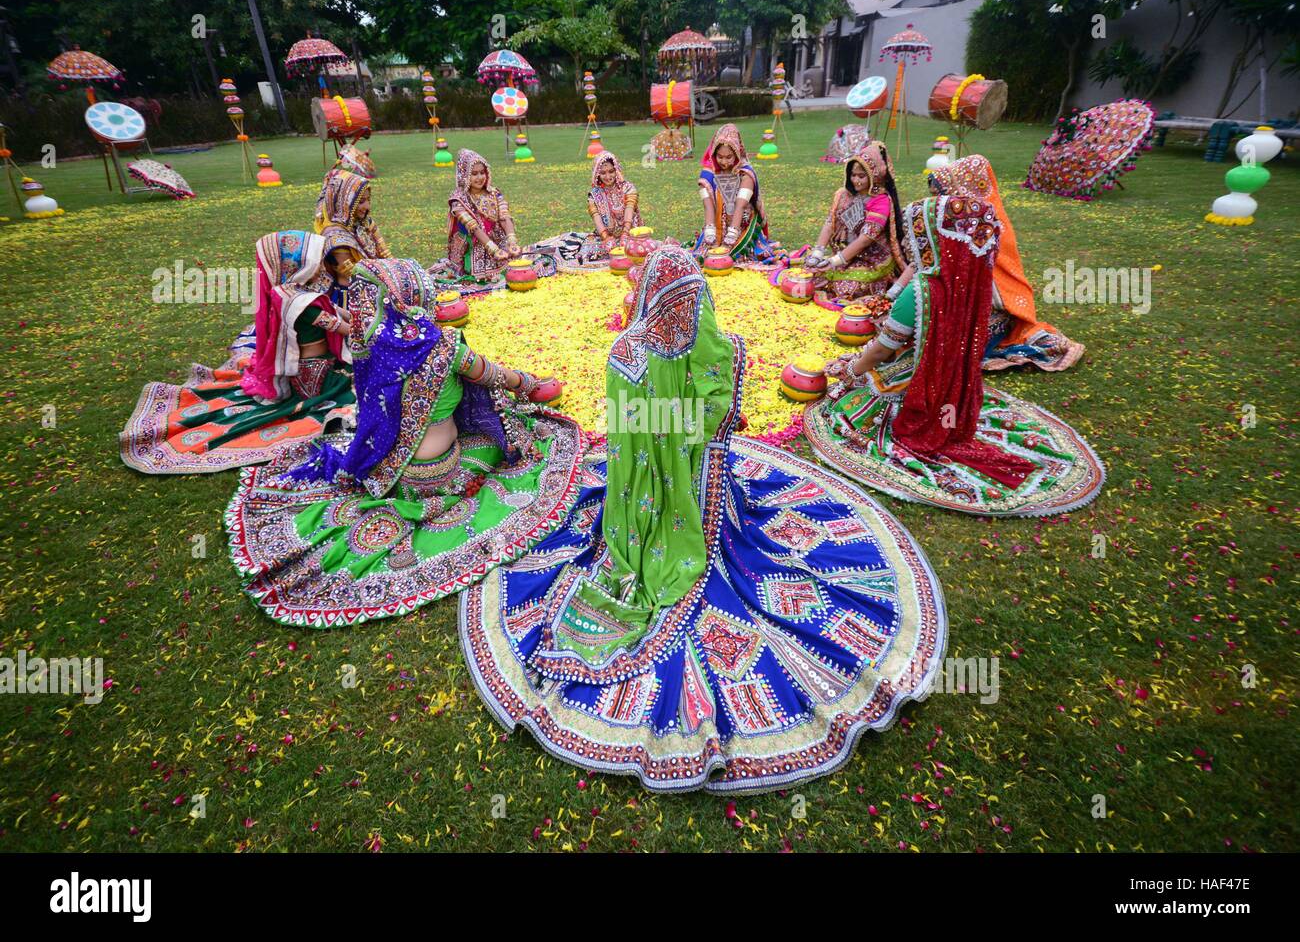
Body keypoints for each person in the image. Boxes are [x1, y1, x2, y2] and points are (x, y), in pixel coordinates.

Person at [459, 246, 947, 793]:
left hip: (630, 509)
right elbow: (717, 409)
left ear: (646, 296)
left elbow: (630, 433)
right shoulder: (703, 342)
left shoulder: (625, 350)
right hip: (698, 496)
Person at [226, 259, 585, 625]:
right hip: (437, 472)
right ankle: (459, 476)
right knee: (505, 433)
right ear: (420, 296)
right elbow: (499, 378)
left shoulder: (369, 345)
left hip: (386, 467)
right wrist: (531, 384)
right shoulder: (445, 348)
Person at [803, 196, 1106, 517]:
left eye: (917, 237)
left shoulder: (923, 288)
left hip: (917, 386)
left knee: (846, 404)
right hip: (957, 389)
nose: (911, 244)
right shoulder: (977, 281)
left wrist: (851, 370)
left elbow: (882, 349)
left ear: (932, 240)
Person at [121, 231, 356, 474]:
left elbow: (339, 312)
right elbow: (342, 326)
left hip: (315, 363)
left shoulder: (289, 291)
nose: (321, 267)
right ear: (297, 264)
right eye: (316, 261)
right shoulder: (302, 302)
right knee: (361, 390)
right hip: (314, 372)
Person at [927, 154, 1084, 371]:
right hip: (959, 303)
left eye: (942, 196)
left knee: (951, 350)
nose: (937, 203)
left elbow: (990, 287)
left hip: (991, 310)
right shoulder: (954, 221)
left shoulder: (989, 226)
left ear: (963, 191)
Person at [803, 141, 907, 312]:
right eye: (853, 175)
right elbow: (830, 223)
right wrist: (818, 252)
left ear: (874, 176)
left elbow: (865, 240)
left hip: (871, 260)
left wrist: (834, 261)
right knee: (810, 273)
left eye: (861, 176)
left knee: (847, 289)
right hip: (844, 256)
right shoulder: (843, 195)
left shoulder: (881, 201)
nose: (856, 180)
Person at [428, 149, 521, 289]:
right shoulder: (459, 199)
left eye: (482, 172)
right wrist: (493, 249)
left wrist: (512, 240)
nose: (480, 178)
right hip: (474, 244)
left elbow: (504, 217)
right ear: (464, 175)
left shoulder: (494, 193)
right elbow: (473, 227)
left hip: (498, 240)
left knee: (516, 264)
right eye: (474, 173)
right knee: (480, 278)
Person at [693, 123, 785, 264]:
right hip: (717, 224)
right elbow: (708, 205)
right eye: (720, 157)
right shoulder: (707, 174)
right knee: (706, 256)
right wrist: (710, 230)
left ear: (737, 153)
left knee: (737, 256)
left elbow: (740, 206)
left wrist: (732, 235)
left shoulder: (746, 173)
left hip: (742, 224)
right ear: (714, 153)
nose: (724, 162)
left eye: (729, 157)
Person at [314, 168, 391, 263]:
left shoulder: (365, 223)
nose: (368, 207)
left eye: (368, 200)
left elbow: (386, 254)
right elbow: (351, 276)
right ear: (343, 202)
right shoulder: (336, 238)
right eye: (361, 201)